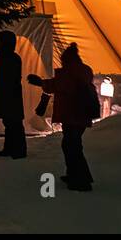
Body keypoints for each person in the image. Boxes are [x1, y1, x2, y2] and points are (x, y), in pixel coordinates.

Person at [28, 43, 97, 192]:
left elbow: (56, 85)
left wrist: (40, 82)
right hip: (82, 115)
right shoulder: (85, 71)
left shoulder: (68, 73)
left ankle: (81, 180)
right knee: (73, 145)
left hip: (71, 114)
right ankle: (74, 174)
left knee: (72, 147)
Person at [0, 30, 26, 159]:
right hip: (6, 93)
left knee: (14, 122)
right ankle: (10, 148)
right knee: (9, 122)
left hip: (9, 94)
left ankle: (18, 150)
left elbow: (7, 78)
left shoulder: (9, 58)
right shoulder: (4, 57)